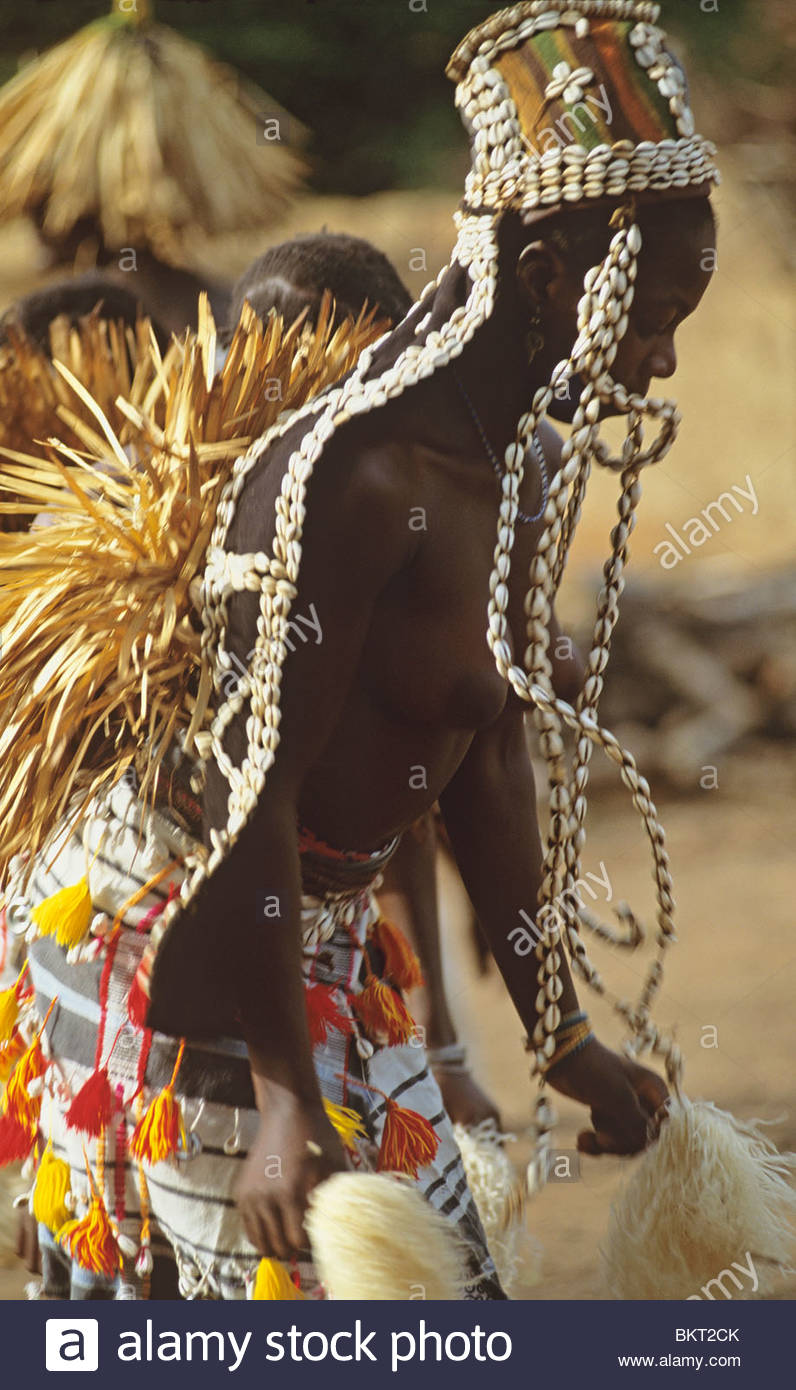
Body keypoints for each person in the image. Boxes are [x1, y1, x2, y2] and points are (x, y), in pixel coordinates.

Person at [13, 0, 718, 1300]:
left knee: (454, 1308)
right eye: (657, 312)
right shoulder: (348, 474)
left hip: (320, 948)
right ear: (562, 277)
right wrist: (284, 1099)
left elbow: (483, 758)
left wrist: (561, 1038)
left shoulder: (521, 466)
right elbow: (254, 791)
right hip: (204, 959)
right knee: (293, 1327)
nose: (664, 358)